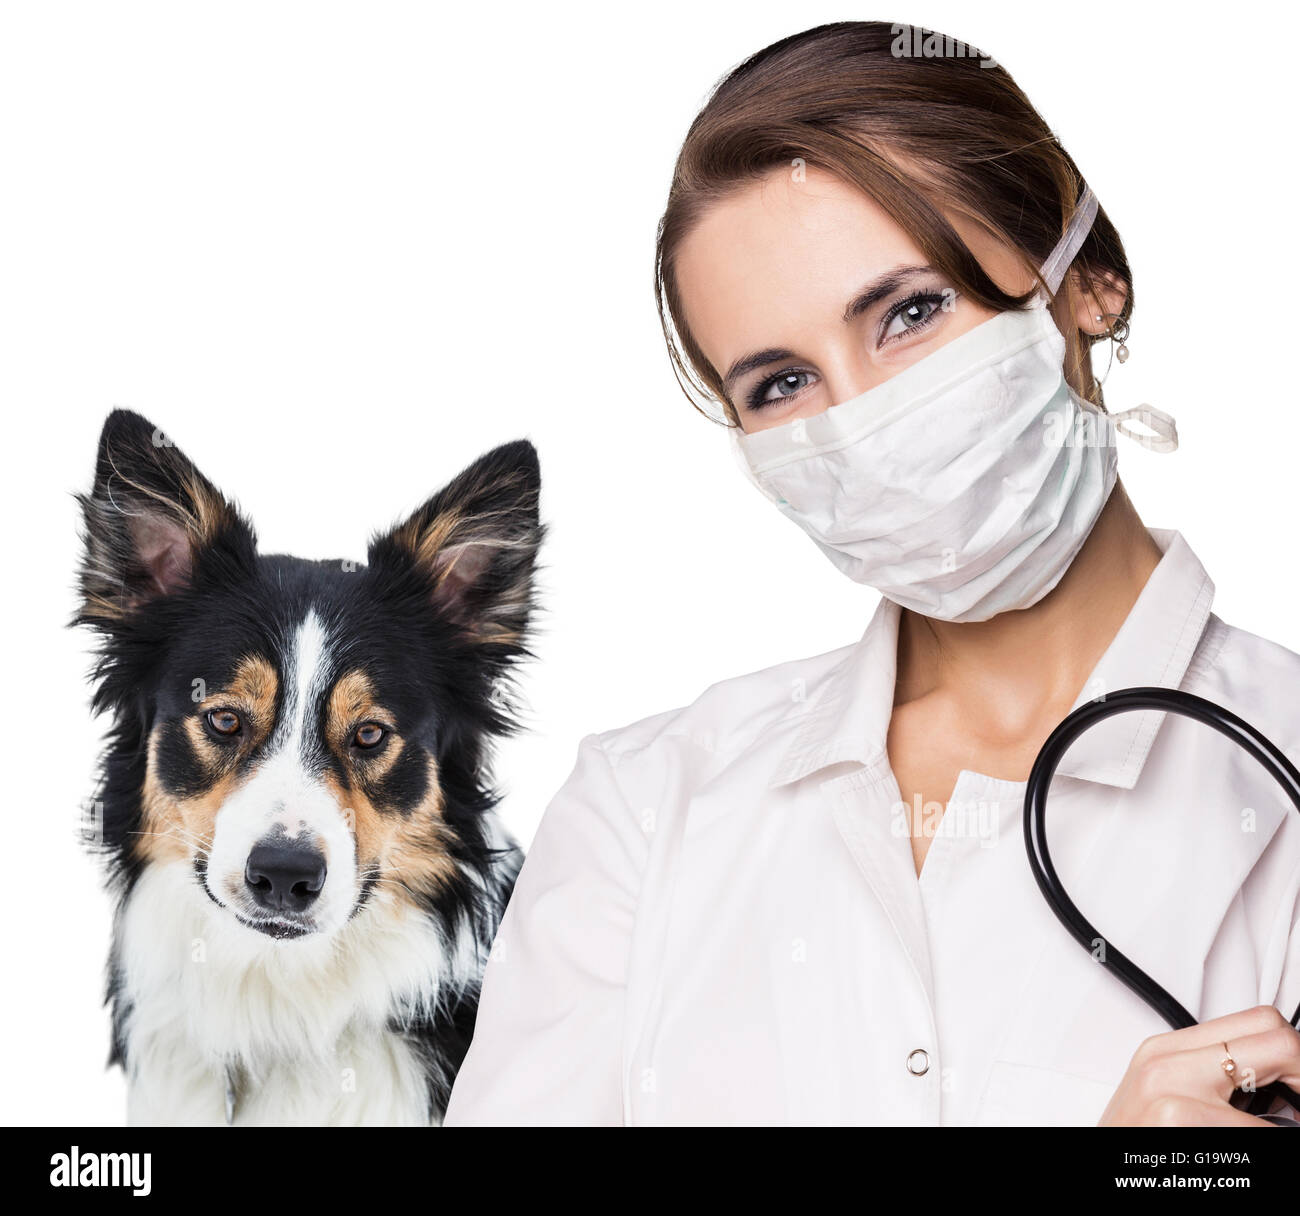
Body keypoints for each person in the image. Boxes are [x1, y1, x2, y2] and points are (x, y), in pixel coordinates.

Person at [444, 21, 1300, 1126]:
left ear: (1088, 281)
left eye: (910, 312)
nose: (858, 422)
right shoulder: (645, 810)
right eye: (779, 382)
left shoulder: (1276, 779)